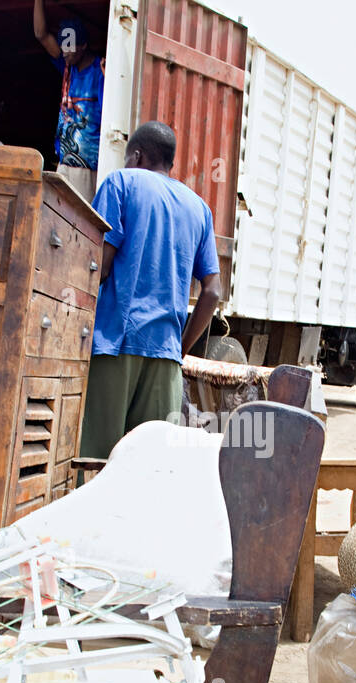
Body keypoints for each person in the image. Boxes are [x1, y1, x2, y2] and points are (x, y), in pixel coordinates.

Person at [79, 121, 221, 460]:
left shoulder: (120, 183)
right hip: (165, 357)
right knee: (149, 468)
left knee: (96, 464)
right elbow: (213, 291)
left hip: (114, 346)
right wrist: (179, 348)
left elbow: (99, 266)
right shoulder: (199, 208)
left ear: (137, 156)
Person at [33, 0, 104, 202]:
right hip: (64, 164)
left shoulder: (100, 72)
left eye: (70, 48)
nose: (64, 52)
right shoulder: (67, 65)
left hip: (88, 169)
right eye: (63, 47)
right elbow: (41, 35)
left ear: (83, 46)